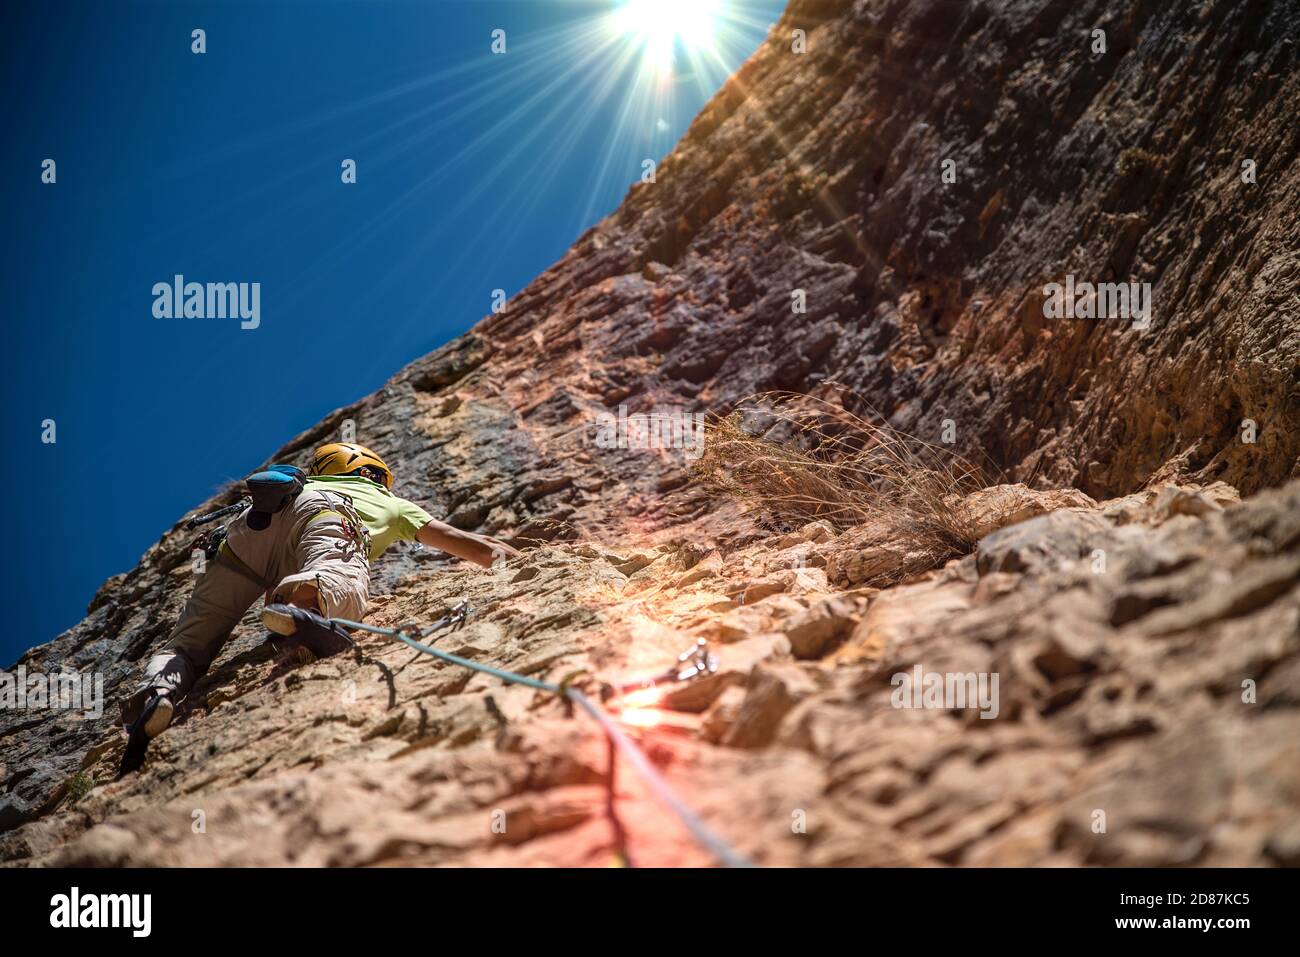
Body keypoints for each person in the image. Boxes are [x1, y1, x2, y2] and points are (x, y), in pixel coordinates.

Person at [119, 442, 519, 743]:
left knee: (188, 642)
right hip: (322, 510)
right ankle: (303, 604)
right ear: (371, 472)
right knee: (336, 565)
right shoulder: (388, 501)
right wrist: (520, 559)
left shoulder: (309, 479)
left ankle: (157, 692)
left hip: (244, 532)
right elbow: (468, 543)